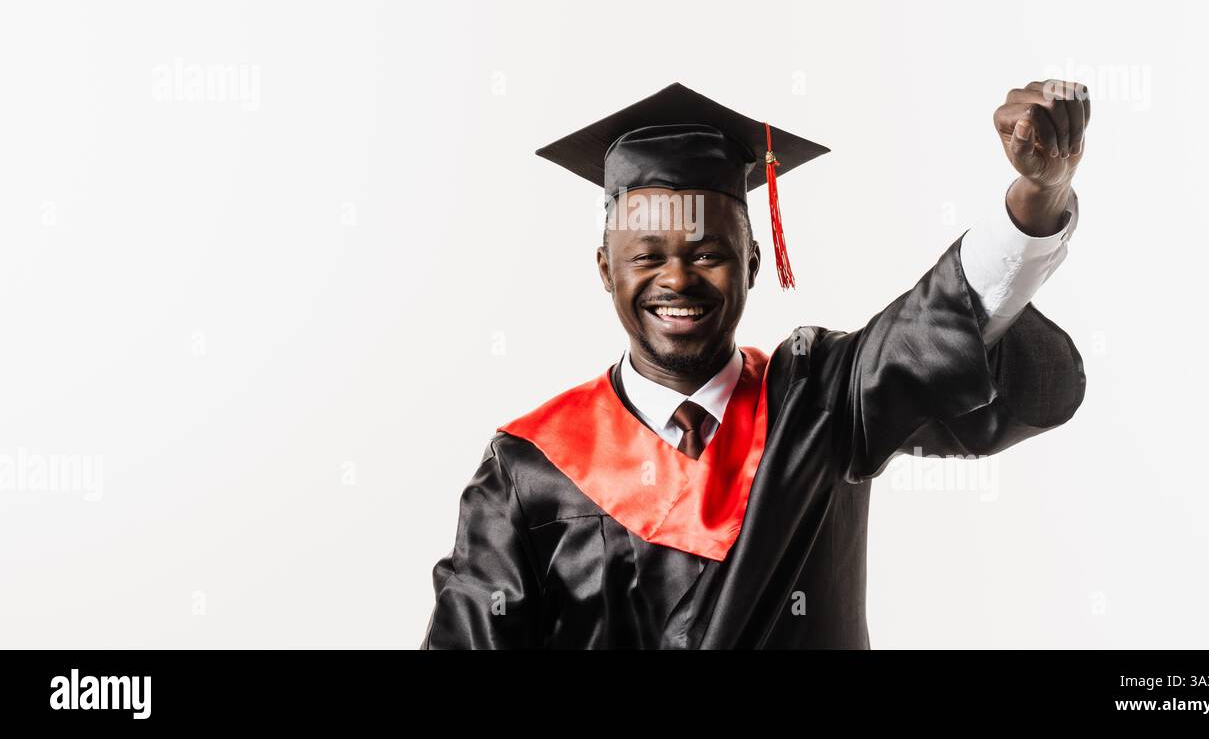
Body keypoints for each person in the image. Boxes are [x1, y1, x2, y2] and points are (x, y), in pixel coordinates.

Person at [421, 80, 1087, 649]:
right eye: (646, 257)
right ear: (606, 271)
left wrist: (1034, 201)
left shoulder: (822, 401)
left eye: (708, 253)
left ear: (753, 265)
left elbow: (928, 328)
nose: (676, 279)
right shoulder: (529, 466)